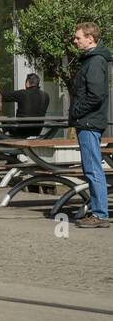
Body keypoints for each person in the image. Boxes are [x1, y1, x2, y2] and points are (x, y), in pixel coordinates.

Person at [69, 22, 111, 228]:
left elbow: (95, 95)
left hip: (88, 122)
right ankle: (99, 212)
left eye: (78, 38)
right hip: (89, 121)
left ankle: (100, 214)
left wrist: (77, 112)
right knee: (92, 168)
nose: (75, 41)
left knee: (93, 169)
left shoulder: (94, 61)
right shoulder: (93, 60)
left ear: (90, 38)